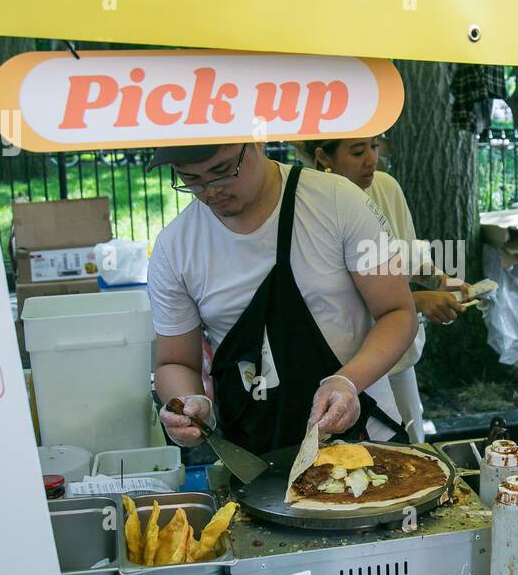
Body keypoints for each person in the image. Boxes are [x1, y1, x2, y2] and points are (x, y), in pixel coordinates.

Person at [145, 141, 418, 455]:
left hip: (367, 441)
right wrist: (187, 403)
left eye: (221, 171)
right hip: (256, 461)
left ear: (257, 142)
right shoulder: (174, 248)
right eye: (190, 179)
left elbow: (398, 312)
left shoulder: (337, 200)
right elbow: (174, 362)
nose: (210, 191)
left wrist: (348, 382)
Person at [304, 135, 470, 442]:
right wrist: (417, 301)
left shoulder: (385, 186)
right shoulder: (309, 206)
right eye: (357, 151)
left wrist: (443, 282)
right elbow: (332, 297)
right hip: (340, 362)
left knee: (412, 448)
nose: (371, 159)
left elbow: (407, 257)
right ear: (323, 157)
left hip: (395, 352)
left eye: (375, 146)